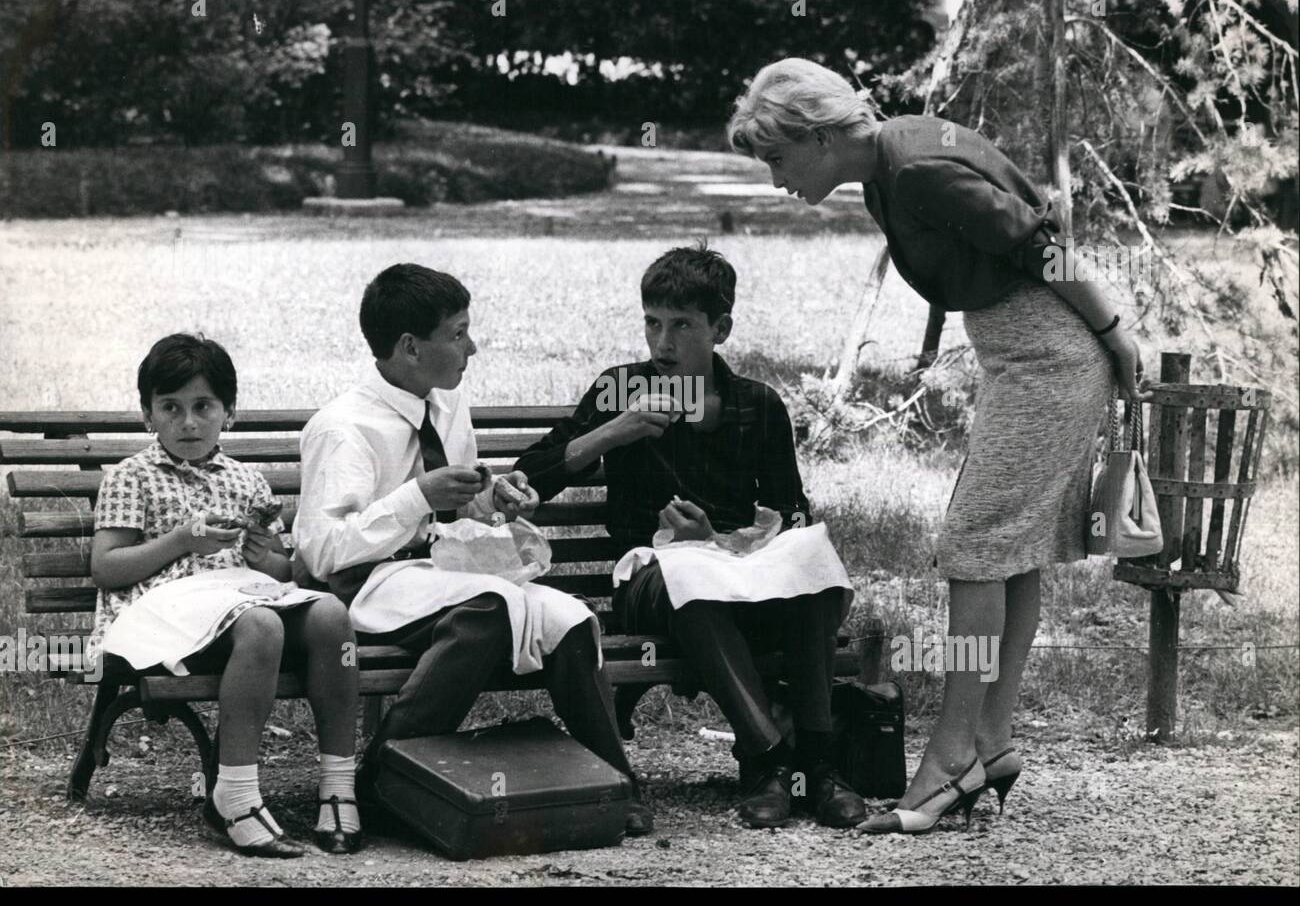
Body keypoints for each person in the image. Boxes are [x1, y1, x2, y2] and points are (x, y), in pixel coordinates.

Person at [727, 57, 1147, 833]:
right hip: (1021, 353)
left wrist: (1114, 332)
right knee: (1006, 547)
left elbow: (1038, 240)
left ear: (818, 137)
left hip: (1049, 354)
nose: (775, 179)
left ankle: (951, 757)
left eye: (778, 159)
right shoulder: (894, 161)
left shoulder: (912, 166)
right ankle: (989, 741)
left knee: (973, 545)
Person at [293, 263, 652, 836]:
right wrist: (416, 497)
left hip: (441, 571)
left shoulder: (446, 402)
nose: (473, 347)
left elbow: (460, 506)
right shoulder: (343, 427)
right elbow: (323, 550)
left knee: (571, 619)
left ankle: (614, 784)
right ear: (411, 347)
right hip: (369, 584)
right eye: (458, 334)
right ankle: (380, 778)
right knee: (488, 610)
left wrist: (495, 497)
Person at [515, 245, 866, 830]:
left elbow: (790, 511)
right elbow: (534, 475)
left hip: (743, 574)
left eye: (682, 325)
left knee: (814, 563)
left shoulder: (757, 404)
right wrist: (612, 432)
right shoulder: (620, 389)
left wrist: (723, 539)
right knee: (688, 571)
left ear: (720, 328)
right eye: (653, 323)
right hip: (648, 575)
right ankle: (773, 756)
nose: (663, 343)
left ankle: (817, 768)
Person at [89, 334, 361, 858]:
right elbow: (106, 567)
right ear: (148, 415)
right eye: (171, 408)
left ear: (228, 414)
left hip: (238, 609)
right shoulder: (131, 478)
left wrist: (265, 556)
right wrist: (181, 540)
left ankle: (338, 784)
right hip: (163, 619)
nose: (188, 422)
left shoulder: (247, 481)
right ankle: (233, 797)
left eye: (203, 407)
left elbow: (281, 570)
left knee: (330, 613)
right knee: (262, 622)